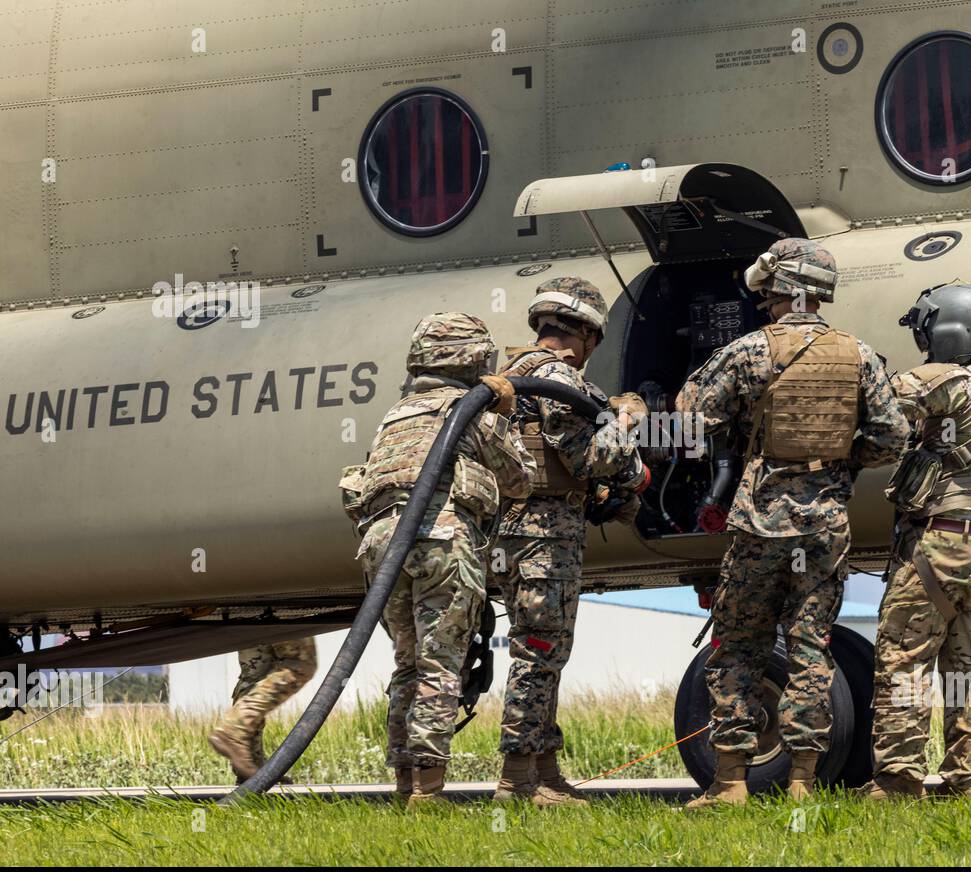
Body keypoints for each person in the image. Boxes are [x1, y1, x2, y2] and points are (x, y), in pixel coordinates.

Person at [675, 238, 909, 808]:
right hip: (825, 522)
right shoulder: (858, 355)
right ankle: (804, 780)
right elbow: (893, 437)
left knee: (737, 647)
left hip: (760, 522)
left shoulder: (750, 351)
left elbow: (691, 420)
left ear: (777, 289)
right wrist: (841, 461)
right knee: (811, 648)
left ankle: (729, 783)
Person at [343, 312, 534, 806]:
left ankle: (405, 785)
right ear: (473, 358)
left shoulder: (396, 415)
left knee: (407, 664)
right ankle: (428, 793)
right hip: (442, 542)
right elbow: (519, 481)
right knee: (440, 663)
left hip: (382, 548)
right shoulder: (470, 410)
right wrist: (507, 413)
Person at [865, 283, 971, 800]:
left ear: (945, 332)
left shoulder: (948, 381)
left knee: (903, 656)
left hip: (938, 544)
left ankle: (897, 780)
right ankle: (970, 781)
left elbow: (880, 402)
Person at [493, 277, 647, 807]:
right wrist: (627, 421)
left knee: (544, 650)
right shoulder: (559, 378)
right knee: (539, 654)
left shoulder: (510, 374)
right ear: (585, 331)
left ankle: (546, 772)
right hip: (545, 539)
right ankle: (516, 782)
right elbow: (593, 459)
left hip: (511, 538)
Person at [210, 638, 317, 783]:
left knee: (254, 677)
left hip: (243, 618)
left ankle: (251, 767)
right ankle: (234, 729)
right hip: (279, 616)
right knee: (299, 664)